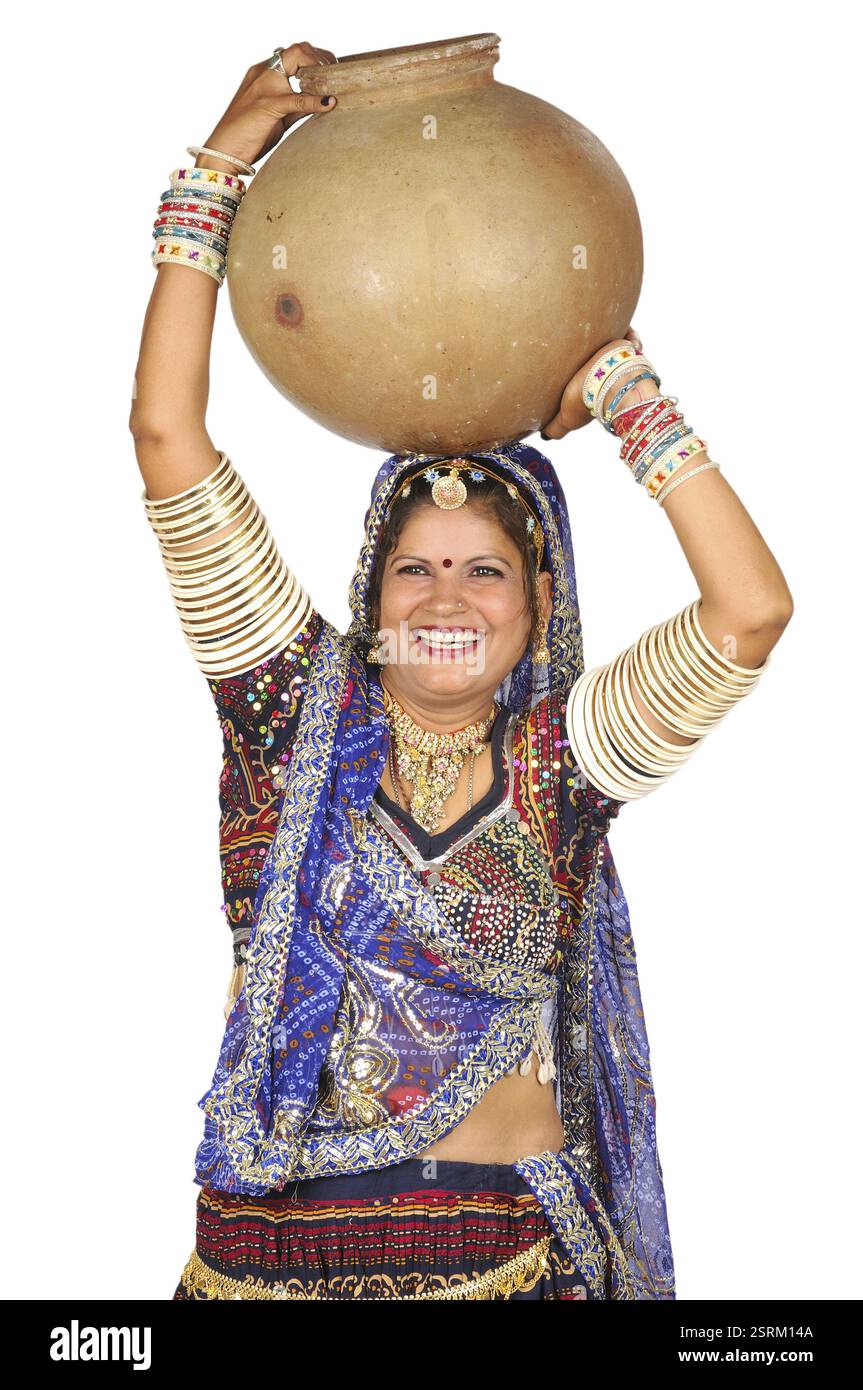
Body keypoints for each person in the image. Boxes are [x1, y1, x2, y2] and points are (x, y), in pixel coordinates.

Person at [130, 43, 794, 1301]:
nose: (444, 598)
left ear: (535, 603)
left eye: (483, 573)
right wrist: (222, 158)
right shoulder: (286, 713)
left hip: (495, 1264)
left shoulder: (560, 760)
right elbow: (167, 440)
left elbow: (748, 611)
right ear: (368, 595)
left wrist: (626, 395)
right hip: (261, 1267)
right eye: (414, 569)